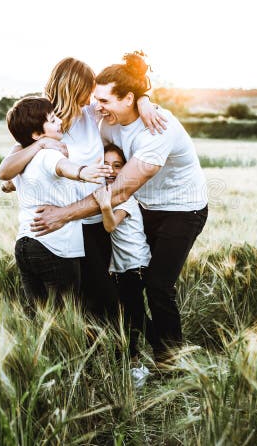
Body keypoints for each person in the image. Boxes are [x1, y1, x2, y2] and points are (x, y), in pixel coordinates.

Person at [31, 52, 208, 365]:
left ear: (128, 99)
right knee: (130, 282)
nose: (95, 106)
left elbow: (121, 189)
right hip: (146, 208)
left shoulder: (158, 129)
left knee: (158, 285)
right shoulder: (108, 120)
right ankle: (138, 353)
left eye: (104, 101)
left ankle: (172, 360)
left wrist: (63, 214)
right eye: (95, 99)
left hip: (183, 211)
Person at [0, 57, 166, 322]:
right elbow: (5, 171)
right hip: (68, 227)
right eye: (89, 89)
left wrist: (144, 99)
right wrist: (39, 147)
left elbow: (122, 97)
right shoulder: (45, 122)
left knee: (107, 297)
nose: (94, 96)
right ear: (76, 89)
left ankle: (112, 355)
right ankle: (87, 354)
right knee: (85, 301)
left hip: (98, 216)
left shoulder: (90, 114)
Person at [5, 96, 111, 310]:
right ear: (37, 135)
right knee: (65, 315)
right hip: (55, 246)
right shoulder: (47, 154)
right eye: (52, 120)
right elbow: (63, 167)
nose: (59, 122)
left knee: (37, 315)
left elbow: (9, 181)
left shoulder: (23, 160)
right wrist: (83, 172)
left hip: (25, 243)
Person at [93, 143, 151, 386]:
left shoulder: (125, 197)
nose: (112, 170)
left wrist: (105, 206)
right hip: (121, 268)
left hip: (135, 266)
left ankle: (137, 365)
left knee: (132, 318)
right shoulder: (110, 192)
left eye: (118, 165)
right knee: (127, 316)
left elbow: (110, 226)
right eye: (106, 165)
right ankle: (137, 359)